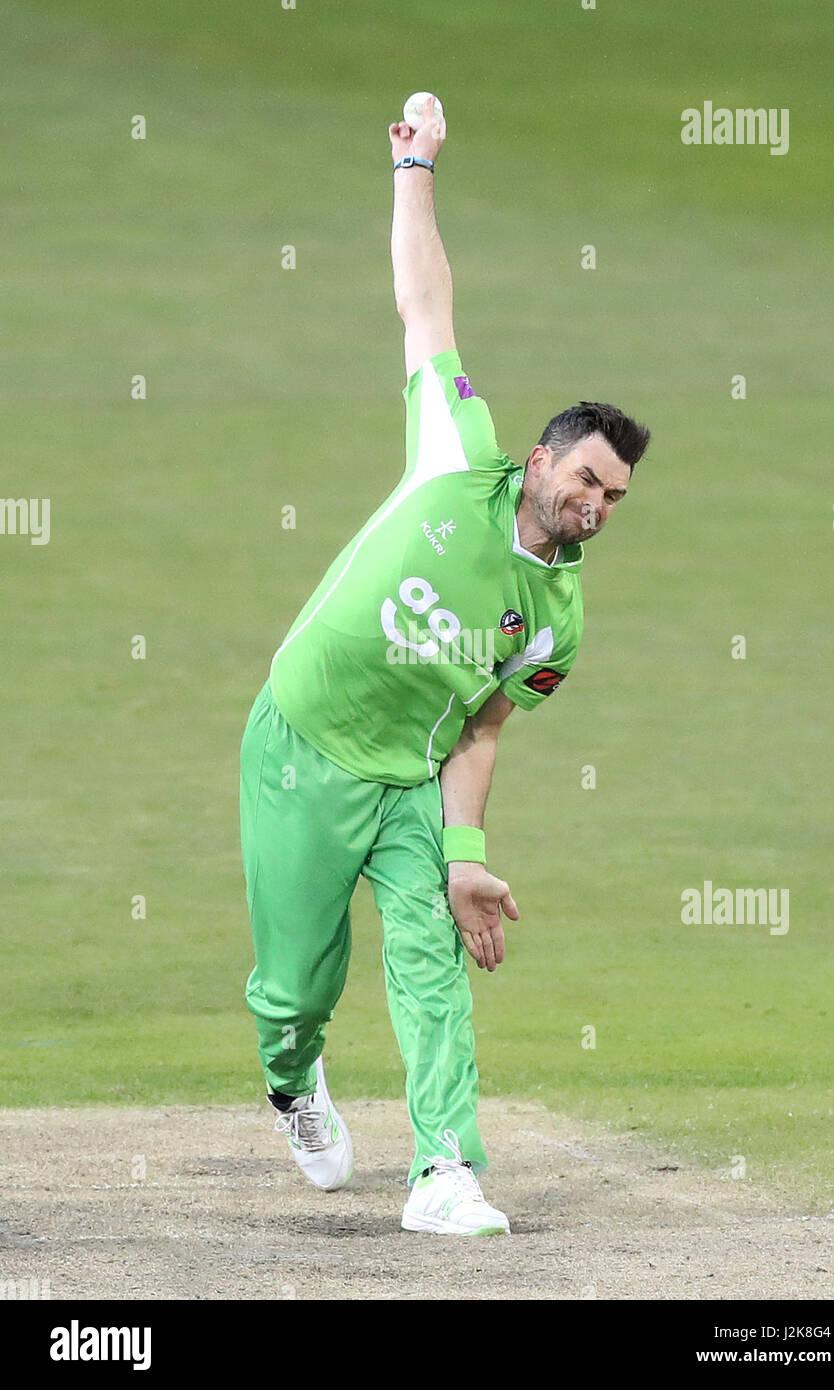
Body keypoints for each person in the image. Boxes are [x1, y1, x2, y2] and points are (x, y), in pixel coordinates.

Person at [239, 96, 651, 1235]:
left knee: (431, 963)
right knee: (293, 988)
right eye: (585, 478)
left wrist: (465, 855)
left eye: (613, 495)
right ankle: (289, 1076)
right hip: (302, 743)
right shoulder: (450, 453)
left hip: (408, 785)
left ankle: (442, 1171)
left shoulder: (556, 622)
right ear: (539, 457)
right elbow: (423, 302)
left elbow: (479, 729)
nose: (596, 503)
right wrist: (414, 164)